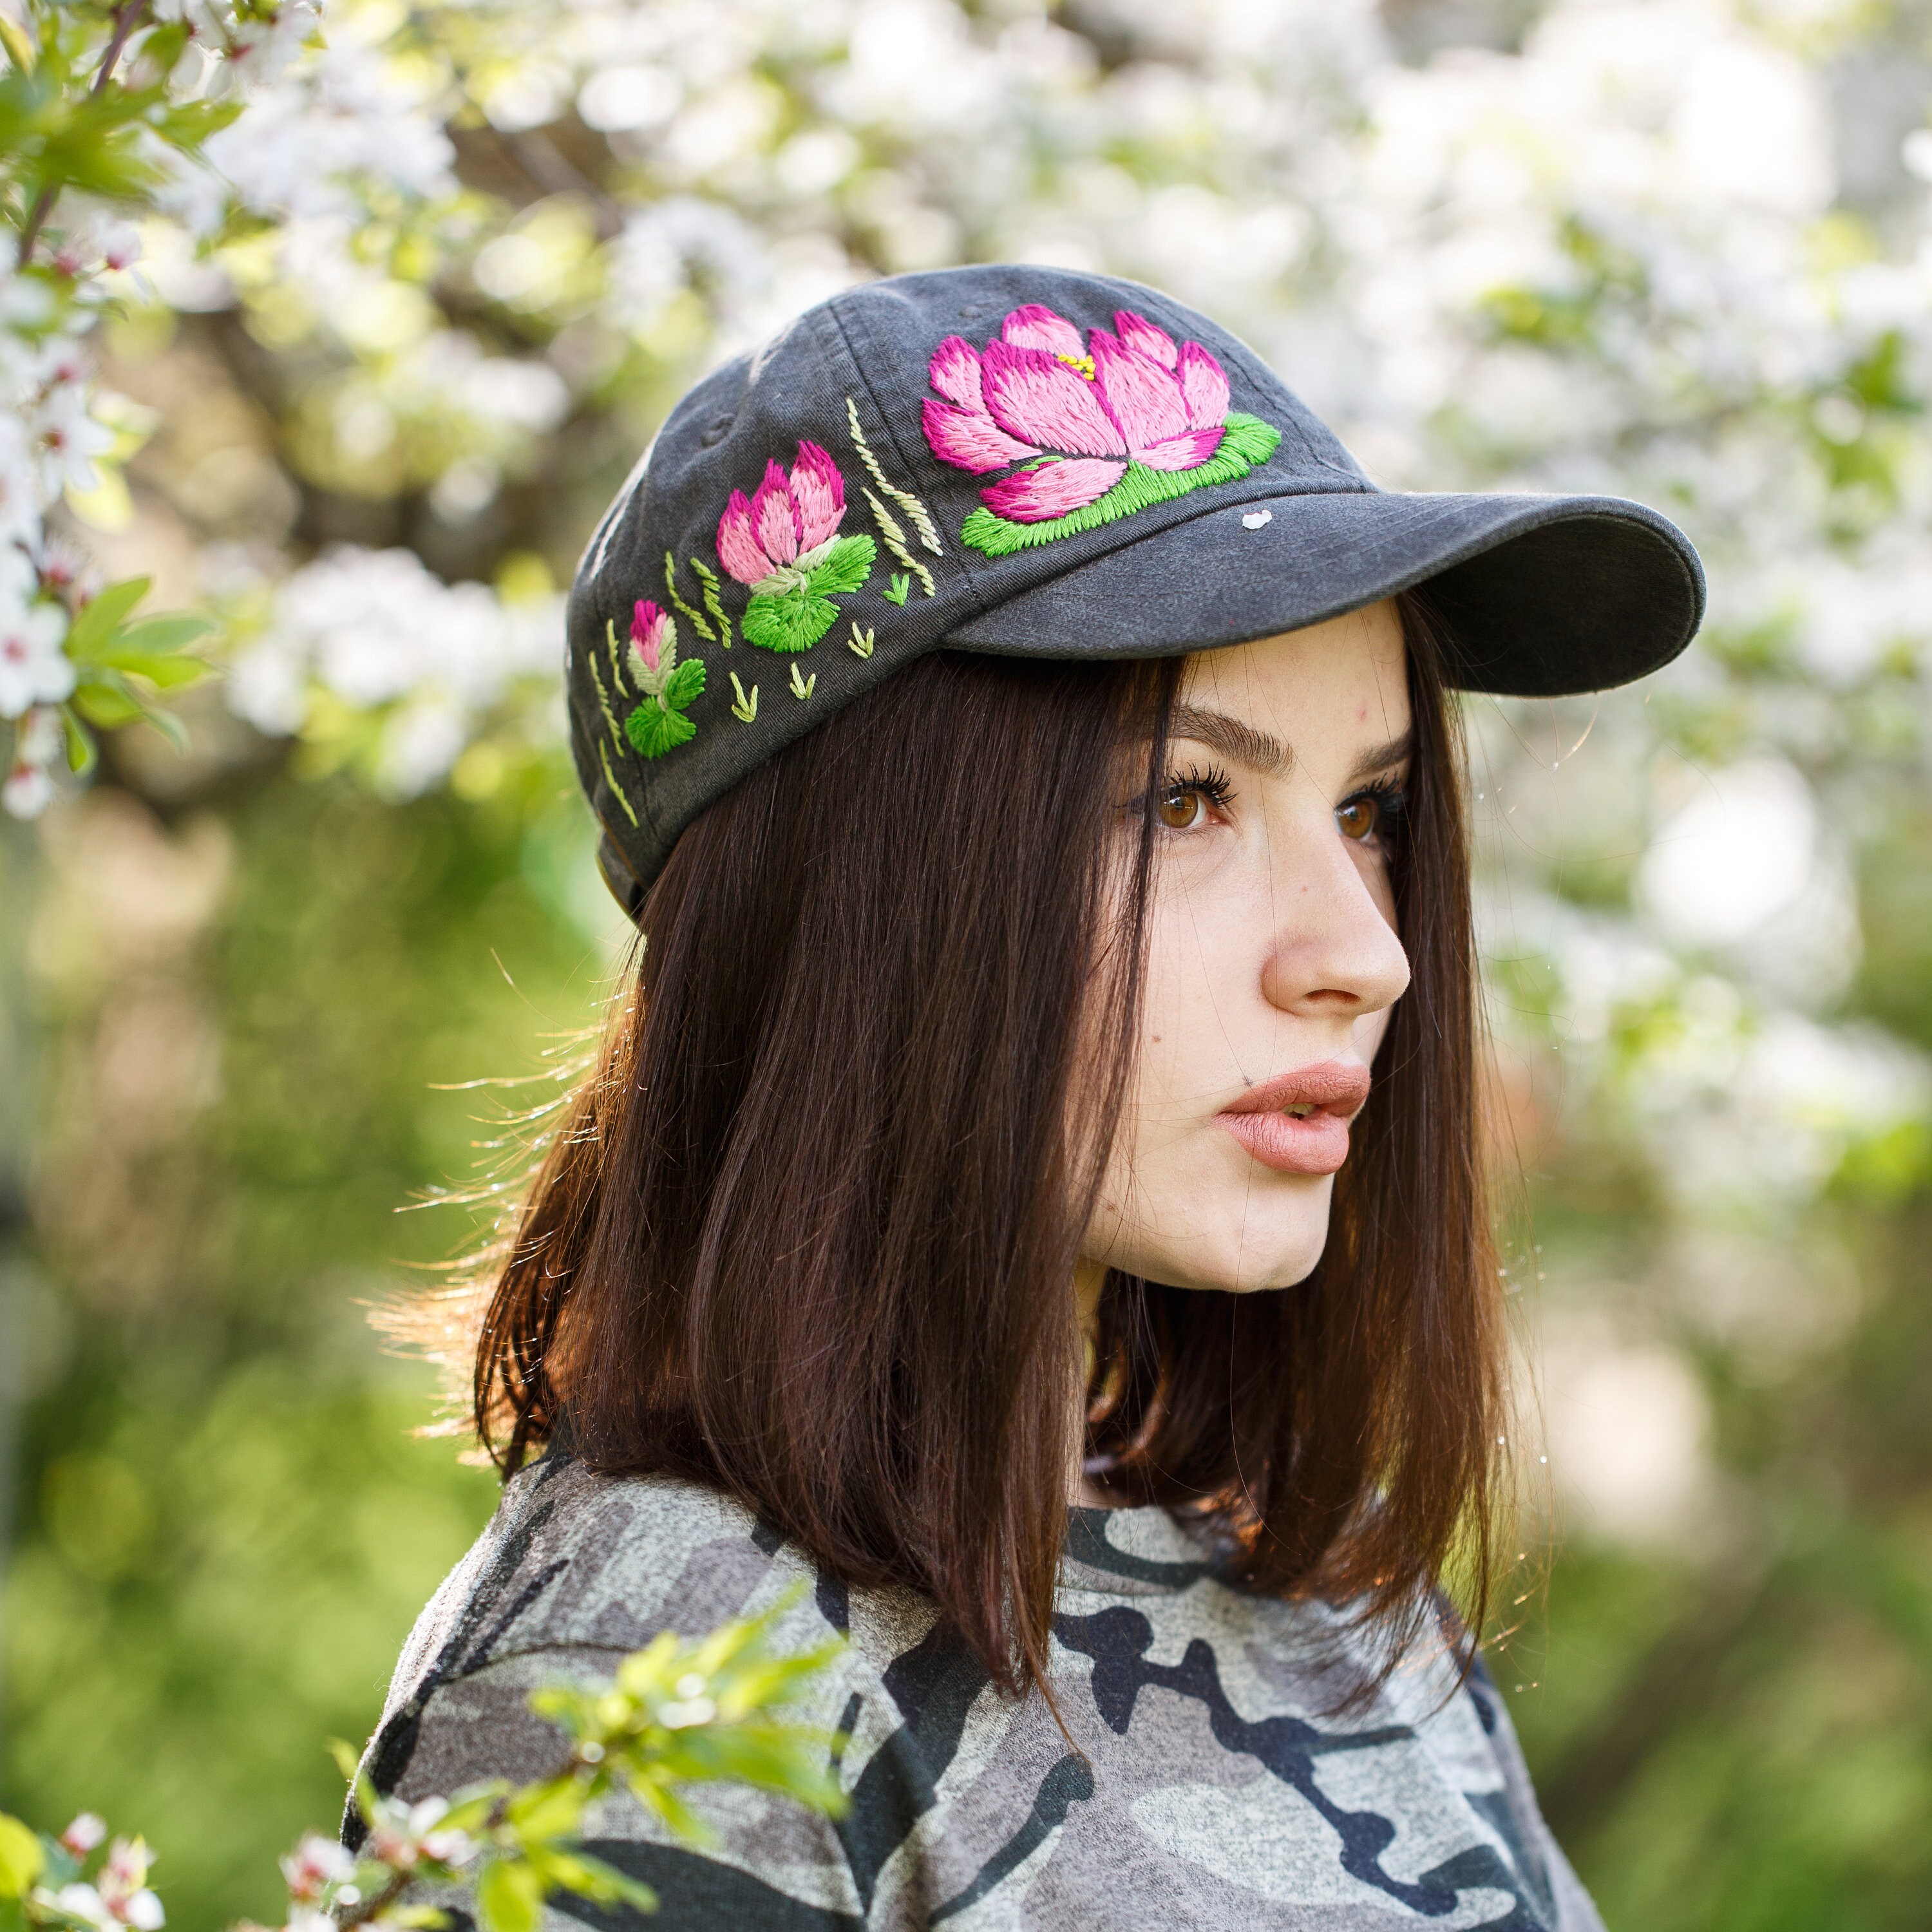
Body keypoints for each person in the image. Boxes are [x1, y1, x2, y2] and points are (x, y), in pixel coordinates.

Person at [351, 265, 1703, 1929]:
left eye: (1371, 812)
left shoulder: (1330, 1592)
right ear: (856, 896)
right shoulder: (646, 1691)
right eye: (1187, 800)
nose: (1369, 955)